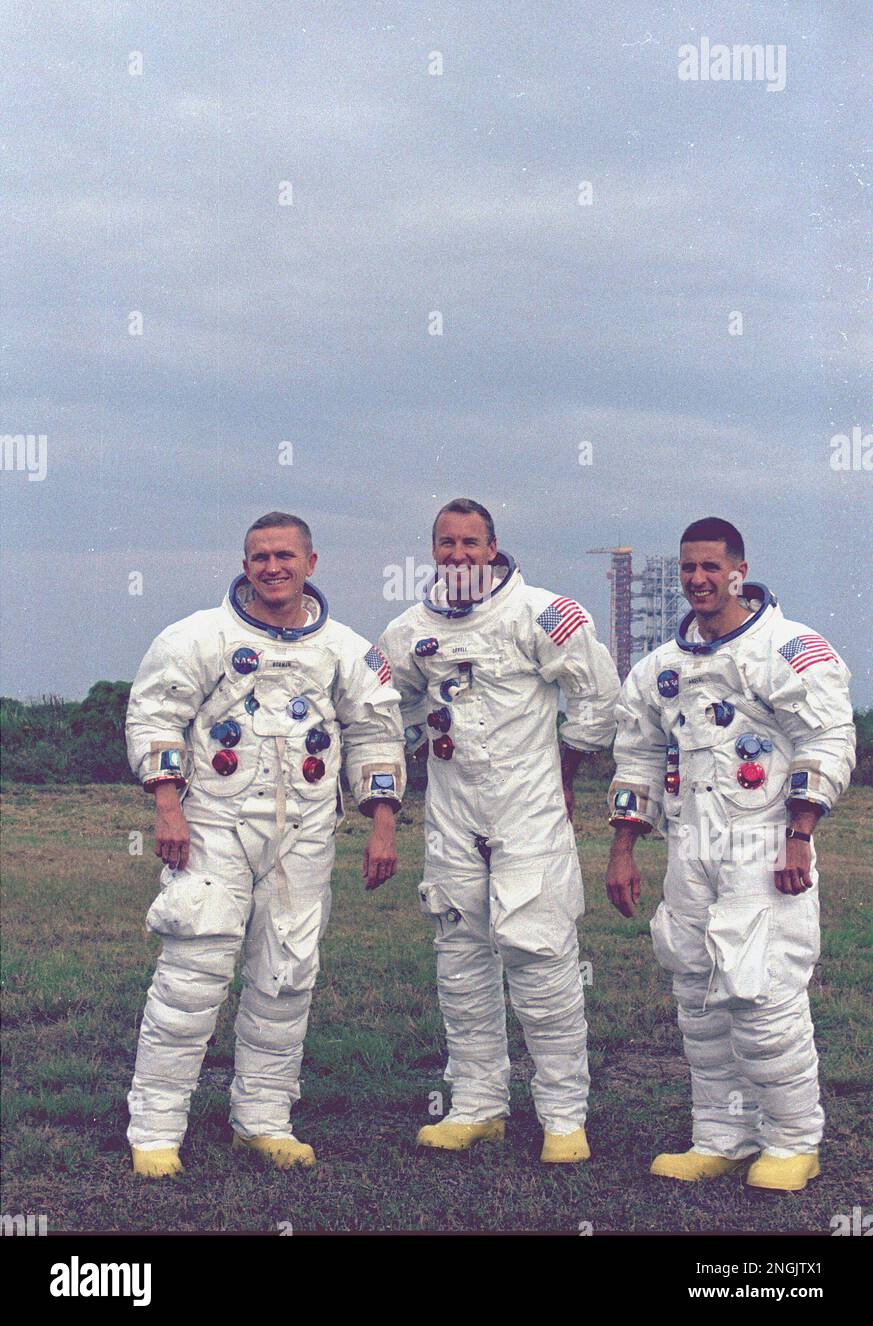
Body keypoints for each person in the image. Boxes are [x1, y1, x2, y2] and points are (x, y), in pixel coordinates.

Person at [125, 512, 404, 1176]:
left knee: (286, 977)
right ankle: (156, 1130)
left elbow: (376, 734)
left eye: (284, 555)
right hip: (213, 828)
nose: (272, 567)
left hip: (304, 834)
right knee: (192, 978)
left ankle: (263, 1120)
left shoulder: (348, 650)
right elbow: (156, 713)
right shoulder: (197, 636)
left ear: (312, 562)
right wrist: (167, 805)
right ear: (244, 564)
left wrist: (384, 822)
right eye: (259, 557)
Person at [606, 517, 855, 1191]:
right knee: (698, 996)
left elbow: (826, 741)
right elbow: (634, 755)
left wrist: (800, 835)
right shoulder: (659, 670)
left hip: (764, 846)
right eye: (688, 568)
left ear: (737, 571)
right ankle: (720, 1134)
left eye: (710, 568)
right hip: (691, 849)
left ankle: (792, 1140)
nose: (697, 580)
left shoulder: (789, 649)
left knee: (762, 995)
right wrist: (623, 850)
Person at [379, 499, 620, 1163]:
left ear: (492, 547)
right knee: (460, 963)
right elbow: (380, 710)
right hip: (453, 813)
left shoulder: (543, 613)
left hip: (529, 810)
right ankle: (477, 1104)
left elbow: (598, 697)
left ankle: (563, 1116)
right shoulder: (408, 631)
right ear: (433, 549)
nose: (457, 555)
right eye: (445, 544)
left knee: (540, 959)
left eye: (469, 543)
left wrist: (567, 768)